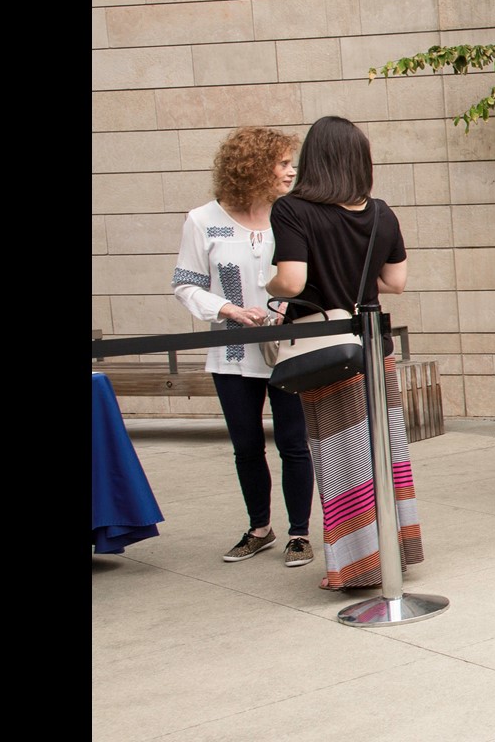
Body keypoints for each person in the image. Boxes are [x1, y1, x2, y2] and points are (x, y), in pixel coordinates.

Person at [266, 116, 418, 589]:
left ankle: (355, 568)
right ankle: (397, 554)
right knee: (384, 457)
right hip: (374, 348)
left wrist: (268, 285)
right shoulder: (381, 212)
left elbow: (290, 281)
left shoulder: (292, 210)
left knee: (340, 461)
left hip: (326, 349)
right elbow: (395, 282)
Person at [173, 126, 314, 568]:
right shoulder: (202, 220)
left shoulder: (292, 214)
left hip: (288, 349)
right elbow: (186, 285)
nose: (291, 171)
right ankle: (259, 528)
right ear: (253, 168)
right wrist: (229, 310)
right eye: (283, 163)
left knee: (294, 443)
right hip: (231, 355)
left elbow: (309, 276)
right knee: (247, 445)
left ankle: (299, 533)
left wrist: (285, 309)